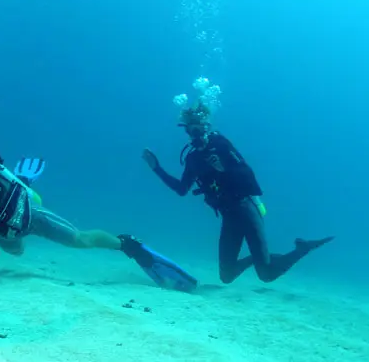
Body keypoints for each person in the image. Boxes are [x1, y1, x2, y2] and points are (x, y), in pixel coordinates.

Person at [0, 115, 199, 292]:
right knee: (15, 251)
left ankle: (128, 245)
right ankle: (21, 184)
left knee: (79, 239)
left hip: (22, 214)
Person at [141, 100, 333, 284]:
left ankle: (302, 249)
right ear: (187, 131)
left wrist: (225, 169)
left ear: (206, 126)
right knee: (227, 275)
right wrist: (156, 168)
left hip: (245, 208)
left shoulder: (221, 144)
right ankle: (258, 258)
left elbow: (247, 174)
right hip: (228, 215)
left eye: (199, 128)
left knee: (266, 275)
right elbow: (182, 190)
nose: (196, 133)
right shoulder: (192, 159)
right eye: (192, 130)